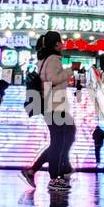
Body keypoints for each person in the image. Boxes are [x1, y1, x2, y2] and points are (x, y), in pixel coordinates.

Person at [21, 32, 77, 190]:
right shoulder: (53, 59)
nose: (63, 43)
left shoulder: (46, 58)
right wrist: (70, 70)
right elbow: (52, 78)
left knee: (66, 136)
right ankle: (55, 177)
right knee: (60, 141)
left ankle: (36, 170)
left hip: (52, 104)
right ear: (56, 44)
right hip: (54, 105)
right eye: (61, 41)